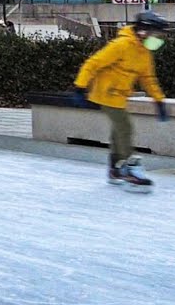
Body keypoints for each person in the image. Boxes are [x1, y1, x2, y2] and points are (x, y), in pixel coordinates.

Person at [72, 10, 169, 193]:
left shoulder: (144, 52)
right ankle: (129, 167)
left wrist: (159, 101)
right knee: (125, 127)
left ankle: (115, 169)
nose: (157, 38)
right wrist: (80, 86)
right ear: (143, 30)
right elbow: (93, 63)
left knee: (118, 132)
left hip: (120, 96)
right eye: (156, 34)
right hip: (106, 93)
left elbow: (148, 79)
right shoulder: (121, 45)